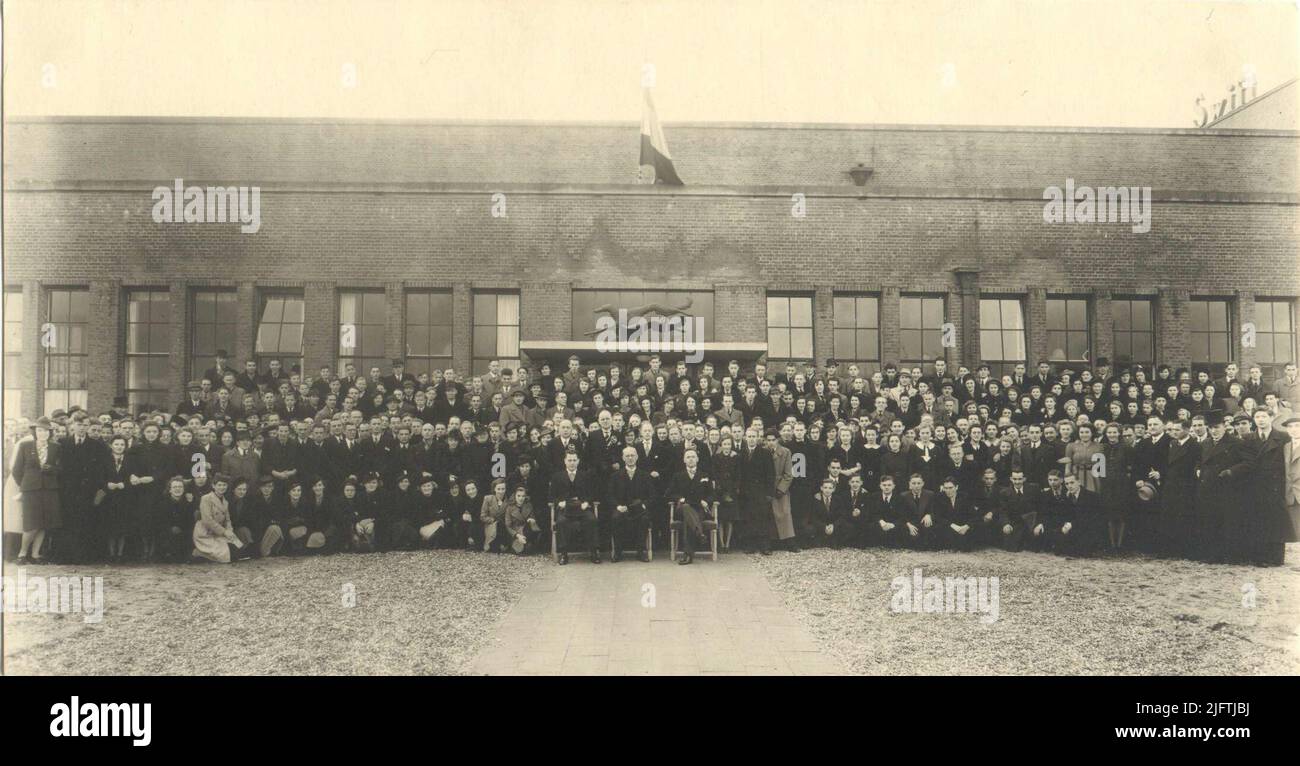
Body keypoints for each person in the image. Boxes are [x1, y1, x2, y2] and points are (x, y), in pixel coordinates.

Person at [12, 416, 62, 565]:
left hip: (49, 489)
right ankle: (22, 554)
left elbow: (62, 469)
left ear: (50, 433)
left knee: (44, 522)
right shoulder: (25, 446)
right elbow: (16, 470)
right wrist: (25, 484)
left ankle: (35, 554)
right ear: (35, 431)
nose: (43, 433)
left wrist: (52, 469)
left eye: (46, 431)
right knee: (31, 522)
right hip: (31, 489)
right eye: (40, 430)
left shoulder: (56, 447)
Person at [667, 447, 715, 565]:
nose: (691, 459)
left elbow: (712, 494)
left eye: (693, 457)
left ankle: (688, 555)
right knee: (686, 508)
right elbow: (668, 493)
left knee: (689, 521)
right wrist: (679, 498)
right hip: (682, 508)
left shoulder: (704, 475)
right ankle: (699, 533)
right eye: (688, 457)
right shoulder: (678, 476)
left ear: (697, 459)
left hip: (699, 509)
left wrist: (706, 501)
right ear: (684, 460)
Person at [550, 450, 598, 564]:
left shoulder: (585, 475)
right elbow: (552, 495)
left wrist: (587, 502)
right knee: (561, 522)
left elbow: (592, 493)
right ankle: (564, 553)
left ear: (578, 461)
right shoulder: (557, 476)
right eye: (569, 460)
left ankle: (593, 551)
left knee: (592, 520)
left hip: (582, 507)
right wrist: (559, 502)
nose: (572, 463)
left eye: (574, 460)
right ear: (565, 461)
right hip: (565, 508)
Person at [607, 446, 653, 562]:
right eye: (627, 456)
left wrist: (644, 505)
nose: (630, 458)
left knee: (644, 519)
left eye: (632, 455)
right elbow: (609, 495)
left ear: (637, 457)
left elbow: (652, 495)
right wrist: (618, 506)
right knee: (616, 518)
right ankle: (618, 552)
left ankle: (640, 552)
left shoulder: (645, 475)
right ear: (623, 458)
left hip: (639, 509)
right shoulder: (615, 476)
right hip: (622, 508)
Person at [193, 473, 250, 563]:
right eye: (219, 485)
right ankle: (199, 553)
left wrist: (230, 530)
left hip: (218, 533)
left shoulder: (225, 501)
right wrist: (224, 532)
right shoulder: (206, 498)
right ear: (213, 486)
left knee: (240, 549)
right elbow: (207, 521)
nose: (222, 487)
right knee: (230, 555)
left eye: (224, 485)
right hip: (205, 533)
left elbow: (228, 520)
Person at [503, 484, 542, 554]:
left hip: (527, 531)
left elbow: (533, 518)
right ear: (515, 496)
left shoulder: (528, 505)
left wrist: (532, 520)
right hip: (515, 533)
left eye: (523, 496)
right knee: (519, 551)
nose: (521, 498)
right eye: (518, 496)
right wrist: (517, 535)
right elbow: (508, 526)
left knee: (528, 549)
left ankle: (529, 544)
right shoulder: (509, 507)